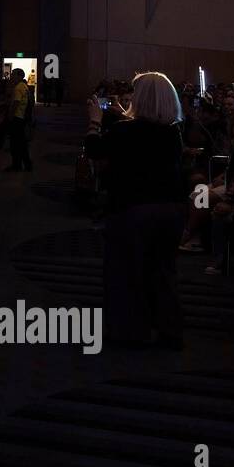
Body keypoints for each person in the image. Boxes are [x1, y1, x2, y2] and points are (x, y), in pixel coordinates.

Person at [84, 72, 188, 349]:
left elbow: (95, 150)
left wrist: (94, 121)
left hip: (132, 208)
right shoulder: (173, 133)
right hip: (171, 209)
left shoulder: (124, 131)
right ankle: (169, 330)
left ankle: (131, 331)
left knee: (126, 271)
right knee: (164, 271)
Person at [6, 67, 32, 171]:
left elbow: (16, 102)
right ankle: (27, 164)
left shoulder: (18, 88)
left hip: (17, 118)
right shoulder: (24, 86)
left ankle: (16, 165)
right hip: (22, 118)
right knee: (22, 143)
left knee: (15, 143)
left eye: (13, 74)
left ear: (19, 76)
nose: (11, 76)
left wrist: (10, 116)